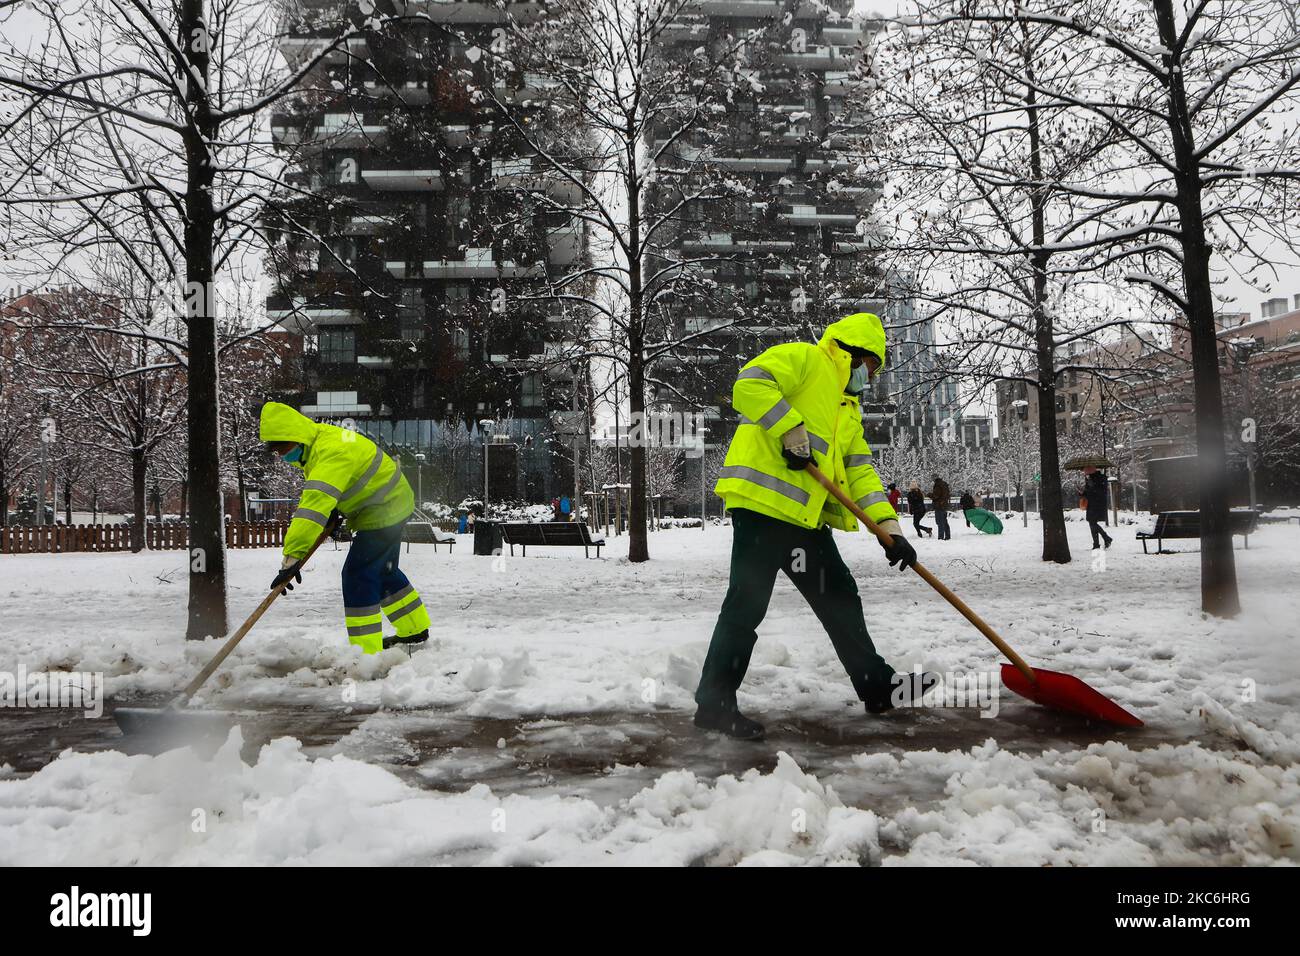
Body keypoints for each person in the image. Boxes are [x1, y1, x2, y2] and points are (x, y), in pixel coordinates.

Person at [695, 312, 937, 740]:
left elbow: (860, 472)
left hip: (804, 522)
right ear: (854, 354)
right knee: (746, 605)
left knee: (839, 597)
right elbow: (748, 383)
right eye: (870, 367)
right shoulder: (806, 359)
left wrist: (890, 529)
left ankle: (877, 687)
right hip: (762, 509)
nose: (870, 377)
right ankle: (714, 704)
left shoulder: (848, 410)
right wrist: (790, 430)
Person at [260, 402, 431, 653]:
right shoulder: (317, 446)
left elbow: (312, 508)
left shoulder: (330, 451)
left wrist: (292, 558)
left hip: (384, 508)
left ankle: (365, 652)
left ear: (297, 437)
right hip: (389, 503)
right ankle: (415, 629)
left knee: (358, 575)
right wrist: (334, 510)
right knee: (383, 571)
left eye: (284, 448)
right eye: (277, 451)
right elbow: (335, 492)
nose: (282, 455)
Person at [1081, 466, 1114, 549]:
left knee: (1092, 523)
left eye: (1086, 471)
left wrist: (1090, 488)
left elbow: (1100, 492)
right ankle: (1100, 542)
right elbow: (1088, 492)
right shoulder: (1091, 479)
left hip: (1097, 504)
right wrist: (1082, 493)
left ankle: (1104, 539)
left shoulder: (1100, 478)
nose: (1085, 472)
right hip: (1092, 504)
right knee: (1092, 523)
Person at [931, 475, 951, 540]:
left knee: (939, 522)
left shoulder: (938, 485)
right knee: (944, 521)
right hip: (944, 505)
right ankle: (948, 536)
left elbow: (936, 495)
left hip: (939, 506)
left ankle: (940, 537)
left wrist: (929, 494)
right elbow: (947, 494)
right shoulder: (944, 484)